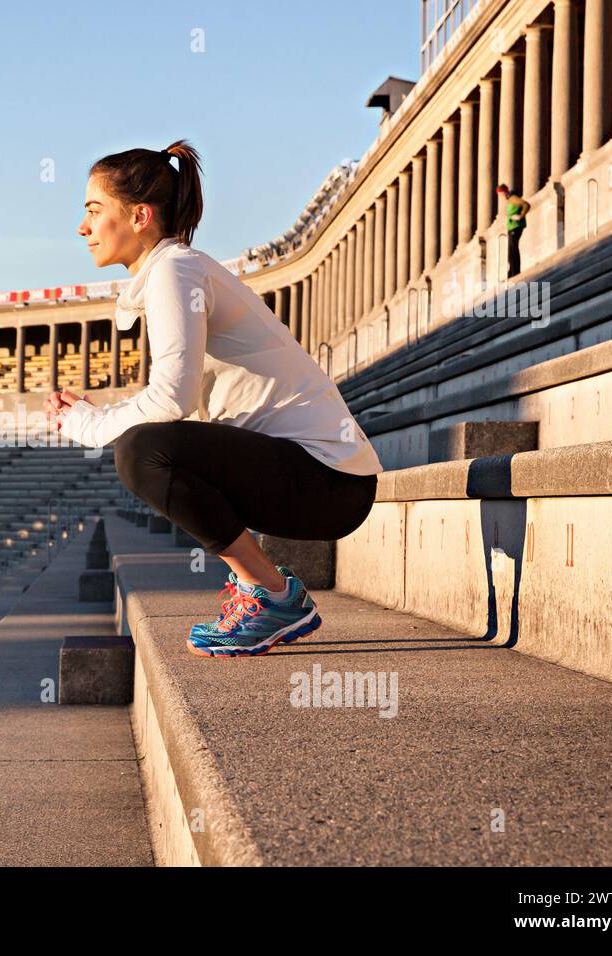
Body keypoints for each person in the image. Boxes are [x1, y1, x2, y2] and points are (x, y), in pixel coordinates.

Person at [46, 140, 383, 658]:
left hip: (329, 481)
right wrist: (93, 416)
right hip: (315, 478)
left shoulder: (175, 271)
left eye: (93, 211)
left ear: (139, 216)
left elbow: (172, 399)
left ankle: (271, 594)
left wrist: (89, 425)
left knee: (140, 453)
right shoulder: (173, 271)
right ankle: (263, 590)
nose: (82, 227)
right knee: (146, 446)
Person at [497, 184, 530, 278]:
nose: (500, 197)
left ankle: (514, 271)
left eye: (500, 194)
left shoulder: (513, 198)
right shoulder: (509, 199)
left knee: (513, 250)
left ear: (503, 192)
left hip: (516, 227)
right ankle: (512, 271)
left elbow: (526, 205)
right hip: (512, 227)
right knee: (512, 250)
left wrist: (520, 216)